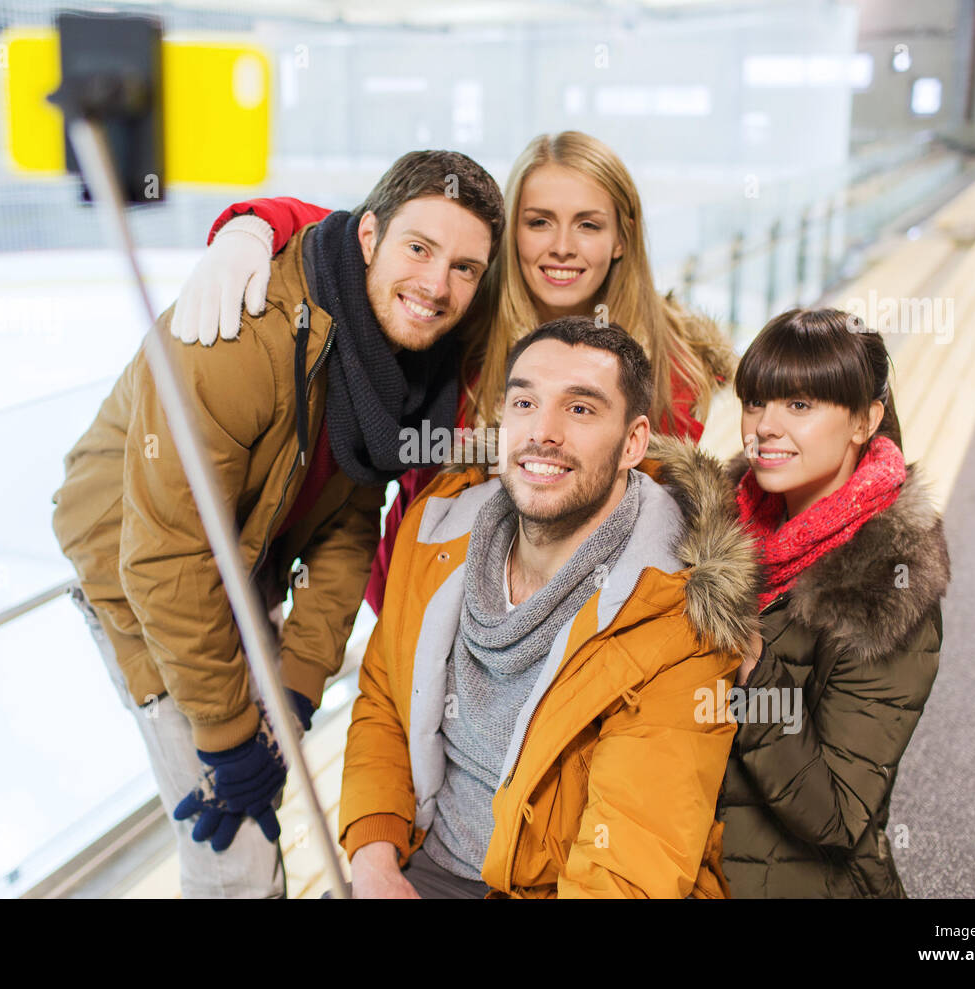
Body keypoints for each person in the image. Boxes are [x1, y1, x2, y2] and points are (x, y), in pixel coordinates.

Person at [51, 150, 505, 898]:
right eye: (419, 248)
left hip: (243, 558)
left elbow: (350, 526)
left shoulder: (390, 362)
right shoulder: (239, 337)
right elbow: (166, 558)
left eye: (464, 267)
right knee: (236, 843)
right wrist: (230, 742)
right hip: (137, 571)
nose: (436, 284)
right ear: (369, 237)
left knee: (261, 804)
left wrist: (293, 691)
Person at [166, 131, 736, 616]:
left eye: (587, 225)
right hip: (421, 618)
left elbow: (647, 546)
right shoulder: (460, 324)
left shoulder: (670, 373)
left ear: (621, 238)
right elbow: (376, 234)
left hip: (571, 651)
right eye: (540, 222)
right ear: (511, 234)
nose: (562, 248)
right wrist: (257, 225)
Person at [338, 315, 758, 898]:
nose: (544, 433)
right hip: (420, 859)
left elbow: (631, 858)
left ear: (633, 443)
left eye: (580, 409)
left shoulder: (676, 613)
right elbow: (383, 700)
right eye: (525, 403)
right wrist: (374, 860)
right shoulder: (438, 530)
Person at [717, 308, 951, 897]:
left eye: (799, 406)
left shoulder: (886, 590)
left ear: (864, 421)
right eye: (755, 402)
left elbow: (837, 816)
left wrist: (755, 671)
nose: (764, 427)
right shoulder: (720, 529)